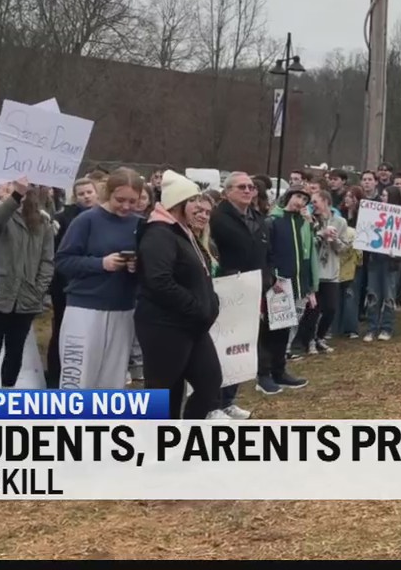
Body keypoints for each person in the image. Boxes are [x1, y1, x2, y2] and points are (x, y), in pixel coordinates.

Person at [134, 171, 223, 420]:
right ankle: (155, 447)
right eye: (192, 201)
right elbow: (158, 280)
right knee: (163, 391)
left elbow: (200, 276)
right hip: (165, 325)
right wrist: (196, 307)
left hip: (192, 325)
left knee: (209, 382)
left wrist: (210, 304)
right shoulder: (159, 233)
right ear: (179, 203)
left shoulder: (182, 233)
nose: (197, 207)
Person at [54, 169, 144, 389]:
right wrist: (100, 264)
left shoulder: (140, 224)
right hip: (85, 309)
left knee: (112, 381)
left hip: (123, 310)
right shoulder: (87, 220)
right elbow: (63, 261)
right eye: (120, 200)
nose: (126, 206)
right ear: (108, 193)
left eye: (132, 201)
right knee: (77, 379)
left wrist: (137, 266)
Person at [0, 177, 55, 388]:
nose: (12, 190)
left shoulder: (42, 222)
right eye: (7, 187)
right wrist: (15, 195)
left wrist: (39, 289)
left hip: (26, 297)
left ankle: (8, 391)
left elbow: (47, 260)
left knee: (15, 350)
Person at [209, 171, 268, 415]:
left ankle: (229, 400)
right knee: (222, 346)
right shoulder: (217, 218)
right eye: (241, 187)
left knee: (242, 346)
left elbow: (265, 249)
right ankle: (213, 403)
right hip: (227, 288)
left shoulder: (257, 217)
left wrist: (268, 275)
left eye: (251, 187)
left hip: (253, 288)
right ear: (227, 192)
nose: (247, 190)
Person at [46, 177, 99, 388]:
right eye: (81, 193)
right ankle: (56, 374)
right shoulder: (64, 218)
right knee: (62, 330)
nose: (86, 196)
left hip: (94, 284)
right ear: (74, 197)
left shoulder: (104, 216)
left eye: (89, 192)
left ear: (97, 193)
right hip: (66, 285)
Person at [266, 183, 318, 385]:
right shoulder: (274, 221)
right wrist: (273, 276)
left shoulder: (303, 223)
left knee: (288, 326)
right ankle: (267, 371)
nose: (301, 202)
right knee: (275, 330)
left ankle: (279, 370)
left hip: (299, 283)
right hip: (279, 282)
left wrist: (310, 286)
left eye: (305, 200)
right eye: (298, 197)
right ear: (289, 196)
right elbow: (269, 252)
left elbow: (307, 254)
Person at [297, 190, 349, 355]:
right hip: (316, 271)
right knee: (313, 309)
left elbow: (343, 248)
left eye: (315, 202)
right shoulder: (310, 221)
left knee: (331, 308)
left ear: (326, 201)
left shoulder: (340, 222)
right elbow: (307, 242)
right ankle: (309, 340)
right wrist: (320, 234)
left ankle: (320, 337)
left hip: (332, 271)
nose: (313, 206)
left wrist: (333, 239)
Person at [362, 185, 401, 341]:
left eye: (385, 196)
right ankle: (371, 327)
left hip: (392, 264)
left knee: (389, 296)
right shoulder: (374, 213)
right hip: (375, 260)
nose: (382, 198)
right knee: (373, 295)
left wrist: (397, 253)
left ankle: (386, 328)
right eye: (381, 195)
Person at [337, 187, 365, 339]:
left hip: (355, 260)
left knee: (351, 293)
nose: (347, 199)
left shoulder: (362, 217)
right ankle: (336, 326)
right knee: (338, 293)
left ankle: (350, 327)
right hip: (340, 258)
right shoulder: (339, 214)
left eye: (351, 196)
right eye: (346, 196)